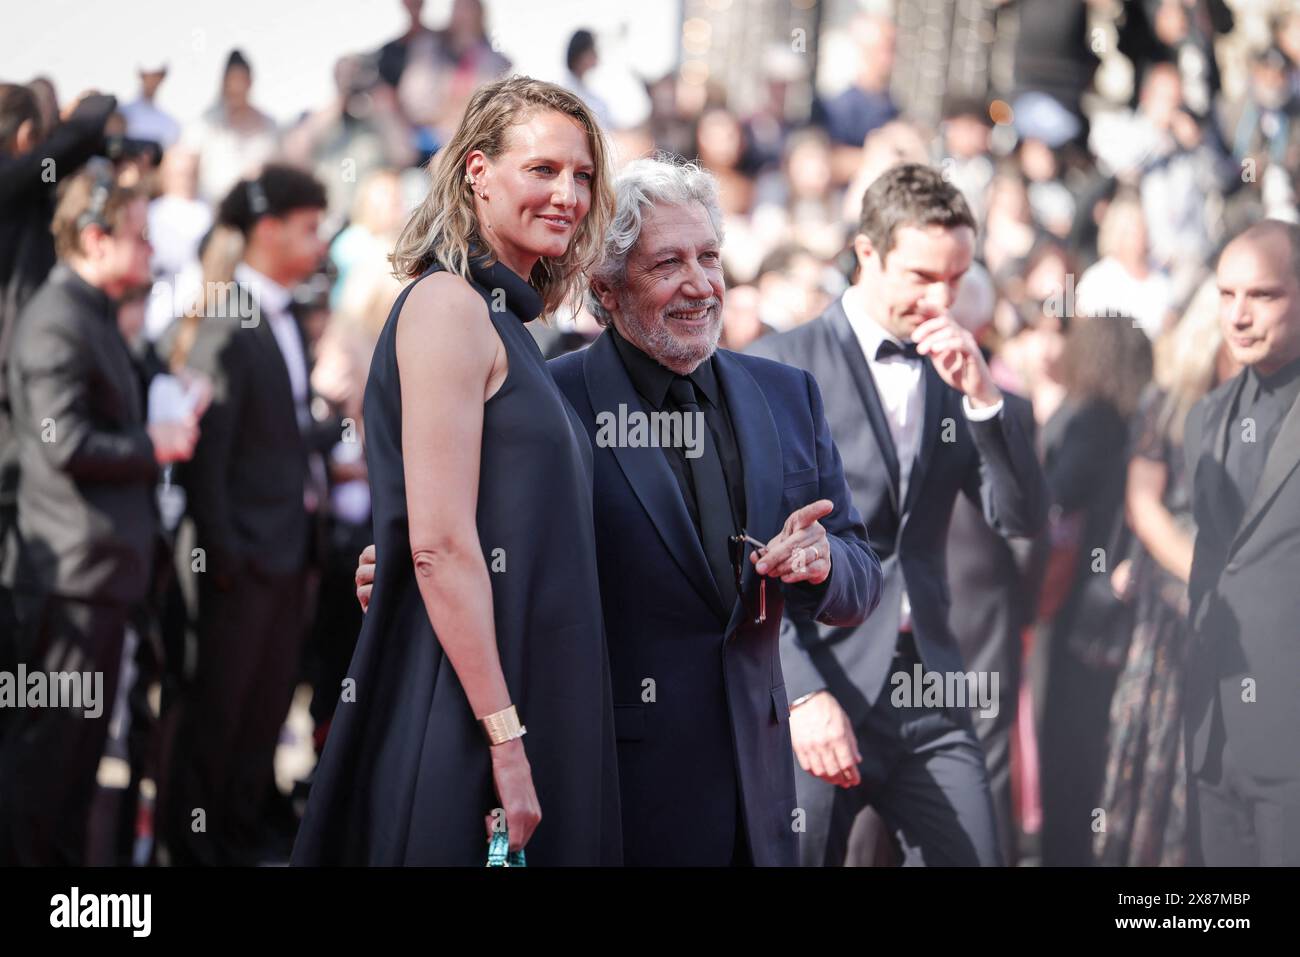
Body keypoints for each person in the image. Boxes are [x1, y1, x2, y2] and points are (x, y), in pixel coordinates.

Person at [355, 156, 884, 866]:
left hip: (760, 796)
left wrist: (823, 565)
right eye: (668, 263)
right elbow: (467, 554)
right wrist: (398, 582)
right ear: (605, 288)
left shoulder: (787, 393)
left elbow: (859, 573)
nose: (699, 283)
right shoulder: (547, 402)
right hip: (612, 789)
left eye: (709, 257)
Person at [293, 77, 622, 866]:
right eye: (542, 170)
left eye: (582, 176)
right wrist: (505, 740)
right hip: (468, 708)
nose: (568, 194)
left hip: (517, 693)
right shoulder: (448, 306)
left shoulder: (508, 325)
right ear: (476, 171)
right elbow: (440, 547)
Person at [748, 162, 1048, 867]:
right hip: (823, 674)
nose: (943, 297)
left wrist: (983, 401)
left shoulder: (961, 368)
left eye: (958, 277)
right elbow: (751, 555)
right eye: (921, 276)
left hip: (931, 681)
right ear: (867, 253)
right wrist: (800, 694)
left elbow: (1024, 517)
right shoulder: (776, 367)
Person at [0, 162, 197, 864]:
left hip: (99, 582)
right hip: (69, 587)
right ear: (93, 236)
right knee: (46, 769)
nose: (149, 253)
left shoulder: (92, 315)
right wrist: (154, 442)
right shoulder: (57, 319)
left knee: (76, 770)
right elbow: (61, 443)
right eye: (139, 236)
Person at [162, 165, 340, 866]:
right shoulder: (227, 315)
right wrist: (225, 556)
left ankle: (238, 834)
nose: (320, 241)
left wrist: (331, 423)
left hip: (286, 553)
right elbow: (206, 454)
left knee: (265, 710)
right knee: (219, 713)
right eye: (308, 226)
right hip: (237, 563)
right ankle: (196, 846)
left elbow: (280, 436)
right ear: (268, 231)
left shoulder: (285, 313)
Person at [1096, 278, 1235, 866]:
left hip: (1251, 605)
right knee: (1163, 751)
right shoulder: (1169, 401)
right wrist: (1207, 576)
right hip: (1177, 600)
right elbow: (1144, 504)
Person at [1184, 219, 1300, 866]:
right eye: (1226, 295)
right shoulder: (1207, 413)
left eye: (1262, 295)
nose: (1239, 315)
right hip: (1212, 731)